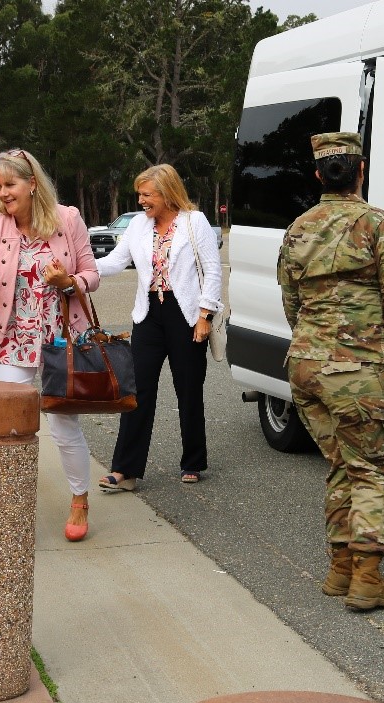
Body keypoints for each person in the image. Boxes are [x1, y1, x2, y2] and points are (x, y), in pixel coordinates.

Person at [277, 132, 384, 611]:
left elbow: (291, 301)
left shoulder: (298, 227)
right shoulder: (379, 224)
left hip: (305, 368)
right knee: (378, 468)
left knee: (343, 464)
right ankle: (367, 577)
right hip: (357, 372)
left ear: (319, 174)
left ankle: (340, 569)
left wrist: (314, 344)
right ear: (360, 172)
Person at [0, 149, 99, 542]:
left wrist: (68, 282)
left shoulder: (68, 219)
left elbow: (91, 274)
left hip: (60, 335)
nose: (2, 194)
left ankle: (80, 499)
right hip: (13, 335)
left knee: (63, 425)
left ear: (32, 183)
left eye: (9, 184)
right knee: (6, 424)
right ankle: (6, 505)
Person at [93, 164, 223, 492]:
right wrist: (78, 268)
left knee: (188, 389)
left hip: (186, 314)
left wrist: (205, 315)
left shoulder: (195, 222)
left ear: (167, 193)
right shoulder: (138, 225)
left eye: (147, 194)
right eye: (140, 194)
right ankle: (126, 470)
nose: (141, 201)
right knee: (137, 391)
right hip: (149, 314)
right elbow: (114, 262)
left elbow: (212, 269)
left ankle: (193, 461)